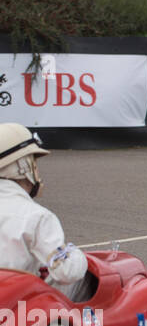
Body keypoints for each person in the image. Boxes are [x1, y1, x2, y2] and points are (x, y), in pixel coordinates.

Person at [0, 124, 90, 301]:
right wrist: (77, 256)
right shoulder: (36, 216)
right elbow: (65, 271)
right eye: (33, 162)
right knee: (80, 278)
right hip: (15, 307)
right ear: (22, 166)